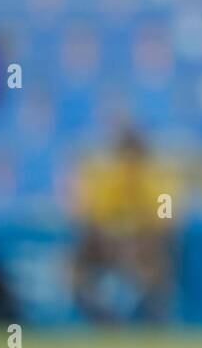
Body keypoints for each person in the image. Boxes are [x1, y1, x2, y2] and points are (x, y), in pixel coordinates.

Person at [72, 128, 176, 323]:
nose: (130, 167)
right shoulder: (107, 180)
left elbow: (166, 221)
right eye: (125, 159)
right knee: (77, 266)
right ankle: (99, 316)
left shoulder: (156, 182)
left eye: (135, 160)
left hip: (144, 244)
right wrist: (114, 241)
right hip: (107, 243)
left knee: (159, 265)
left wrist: (139, 241)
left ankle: (154, 319)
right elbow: (91, 218)